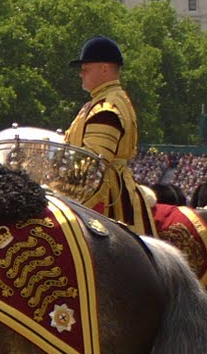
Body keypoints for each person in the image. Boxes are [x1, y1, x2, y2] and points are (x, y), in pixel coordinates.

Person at [66, 36, 157, 236]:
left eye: (86, 69)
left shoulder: (106, 108)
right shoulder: (103, 101)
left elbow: (93, 165)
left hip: (107, 201)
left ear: (104, 69)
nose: (81, 74)